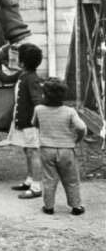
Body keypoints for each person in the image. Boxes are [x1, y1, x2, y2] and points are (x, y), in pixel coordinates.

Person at [0, 43, 44, 199]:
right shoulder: (23, 74)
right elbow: (6, 78)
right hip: (23, 122)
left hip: (30, 124)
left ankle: (36, 187)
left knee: (33, 152)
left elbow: (38, 102)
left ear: (22, 62)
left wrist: (37, 123)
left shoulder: (32, 79)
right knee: (27, 151)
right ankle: (29, 180)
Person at [33, 78, 86, 215]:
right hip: (66, 149)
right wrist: (77, 139)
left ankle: (49, 207)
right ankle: (76, 206)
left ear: (44, 94)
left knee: (49, 179)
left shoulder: (39, 109)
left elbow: (35, 123)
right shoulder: (69, 111)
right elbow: (81, 127)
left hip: (46, 148)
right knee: (71, 179)